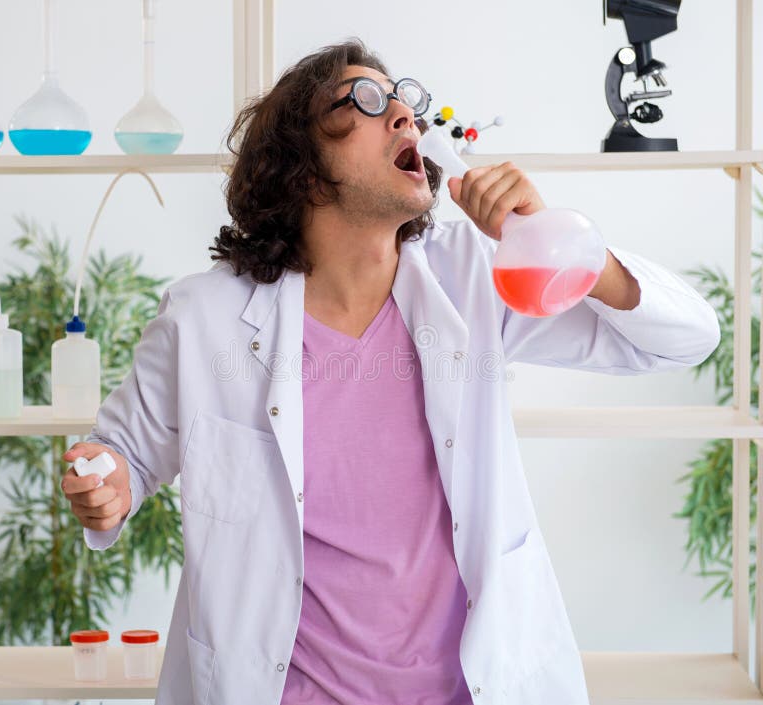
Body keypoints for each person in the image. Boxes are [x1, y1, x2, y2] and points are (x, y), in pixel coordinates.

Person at [61, 38, 720, 705]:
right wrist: (106, 481)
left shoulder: (473, 273)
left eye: (406, 100)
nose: (404, 113)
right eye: (367, 101)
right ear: (302, 166)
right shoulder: (204, 319)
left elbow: (683, 337)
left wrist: (554, 238)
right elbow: (121, 457)